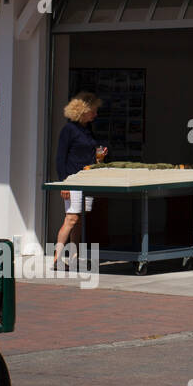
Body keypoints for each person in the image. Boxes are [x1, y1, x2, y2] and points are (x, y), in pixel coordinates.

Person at [53, 91, 107, 270]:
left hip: (87, 179)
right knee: (71, 218)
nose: (95, 114)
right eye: (93, 110)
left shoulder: (87, 129)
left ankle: (75, 256)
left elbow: (89, 154)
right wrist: (64, 182)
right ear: (83, 110)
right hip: (73, 180)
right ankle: (57, 258)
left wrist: (100, 158)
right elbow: (61, 158)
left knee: (79, 219)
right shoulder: (69, 130)